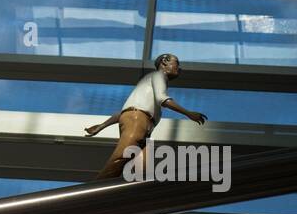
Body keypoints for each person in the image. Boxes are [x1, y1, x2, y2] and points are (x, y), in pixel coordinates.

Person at [85, 53, 208, 181]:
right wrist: (189, 113)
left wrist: (102, 125)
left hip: (143, 126)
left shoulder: (148, 85)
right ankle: (92, 190)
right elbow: (161, 99)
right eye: (177, 63)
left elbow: (126, 111)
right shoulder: (158, 75)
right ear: (165, 62)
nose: (179, 68)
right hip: (138, 121)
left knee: (142, 174)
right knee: (121, 158)